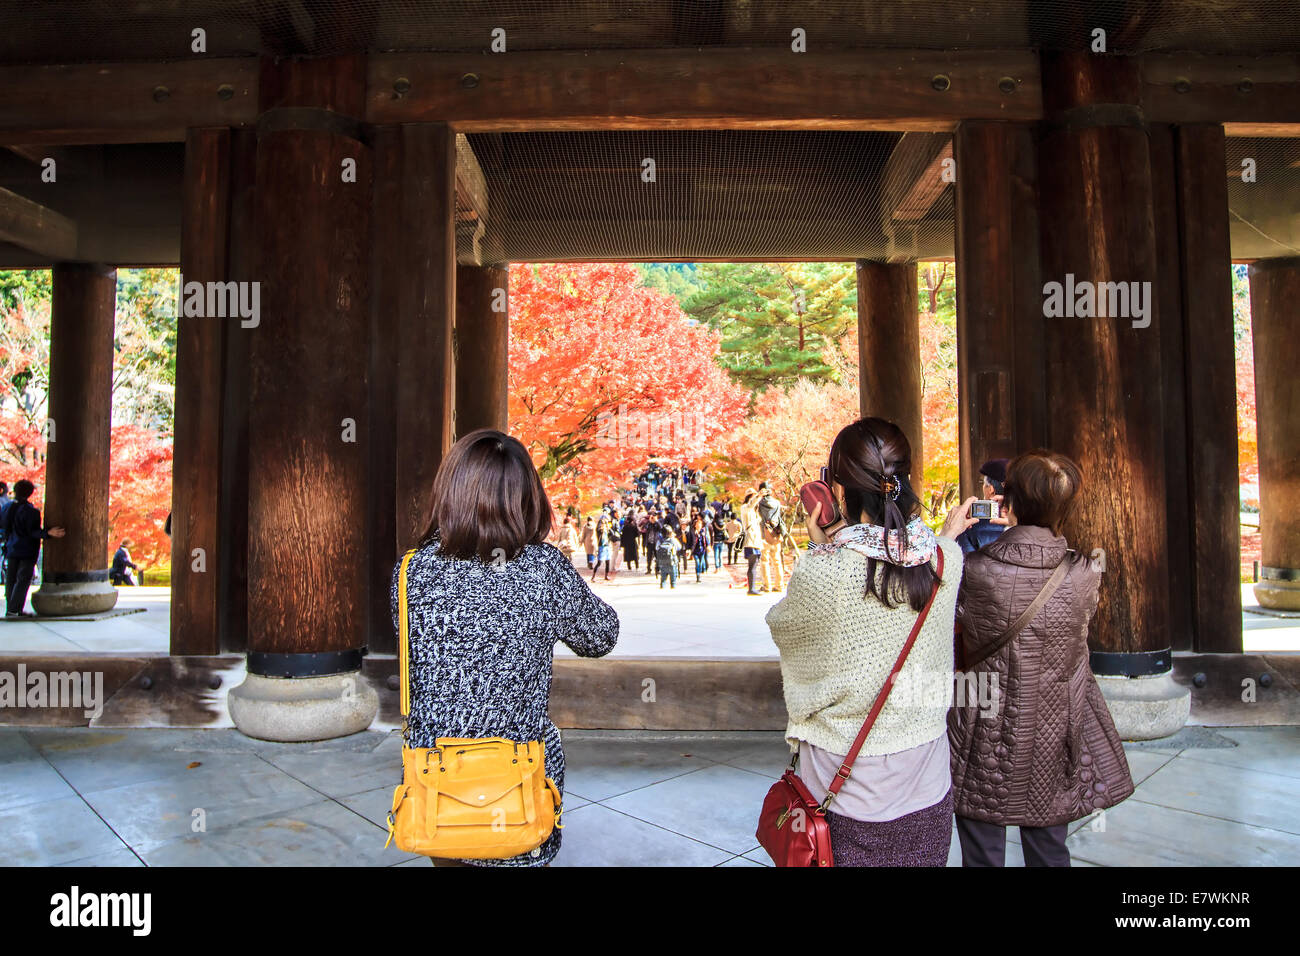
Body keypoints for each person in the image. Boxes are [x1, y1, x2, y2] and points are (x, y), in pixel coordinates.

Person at [393, 429, 618, 867]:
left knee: (450, 852)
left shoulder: (410, 571)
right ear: (527, 496)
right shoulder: (545, 569)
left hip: (438, 778)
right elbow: (601, 636)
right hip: (520, 775)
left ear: (450, 491)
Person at [766, 417, 972, 866]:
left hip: (844, 786)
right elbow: (908, 554)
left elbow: (786, 627)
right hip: (926, 781)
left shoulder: (826, 571)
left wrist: (821, 547)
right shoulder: (946, 559)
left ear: (837, 491)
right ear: (905, 480)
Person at [949, 450, 1134, 867]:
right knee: (1050, 851)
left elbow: (946, 616)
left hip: (982, 728)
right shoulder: (1086, 572)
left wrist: (951, 534)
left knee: (981, 855)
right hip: (1056, 729)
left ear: (1006, 502)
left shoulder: (973, 569)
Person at [3, 479, 66, 617]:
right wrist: (48, 533)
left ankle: (11, 608)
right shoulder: (31, 511)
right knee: (23, 580)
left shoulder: (7, 508)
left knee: (11, 579)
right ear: (30, 493)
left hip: (11, 547)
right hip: (26, 550)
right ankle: (14, 609)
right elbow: (32, 532)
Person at [955, 458, 1010, 554]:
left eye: (984, 484)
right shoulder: (1031, 524)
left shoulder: (969, 527)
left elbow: (963, 563)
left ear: (991, 489)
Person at [757, 486, 786, 592]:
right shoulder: (777, 503)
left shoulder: (759, 503)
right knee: (777, 561)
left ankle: (767, 586)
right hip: (776, 534)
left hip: (764, 534)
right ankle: (779, 585)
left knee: (764, 561)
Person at [739, 492, 765, 596]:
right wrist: (758, 496)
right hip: (751, 540)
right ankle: (751, 588)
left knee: (755, 565)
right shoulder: (746, 508)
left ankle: (752, 587)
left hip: (756, 540)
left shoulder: (754, 511)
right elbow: (751, 504)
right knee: (752, 565)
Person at [655, 524, 681, 589]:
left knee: (663, 580)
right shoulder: (673, 540)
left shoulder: (660, 540)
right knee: (673, 581)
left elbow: (657, 548)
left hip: (662, 563)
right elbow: (679, 547)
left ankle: (662, 589)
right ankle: (672, 590)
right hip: (672, 562)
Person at [591, 516, 613, 582]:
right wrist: (602, 527)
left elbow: (612, 533)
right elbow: (598, 530)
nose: (604, 524)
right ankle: (593, 576)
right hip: (601, 546)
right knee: (599, 562)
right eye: (603, 523)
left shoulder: (607, 530)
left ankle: (606, 575)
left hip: (607, 546)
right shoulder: (599, 531)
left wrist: (608, 527)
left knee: (608, 562)